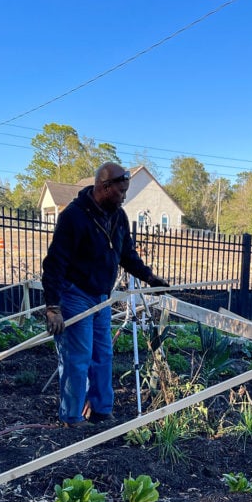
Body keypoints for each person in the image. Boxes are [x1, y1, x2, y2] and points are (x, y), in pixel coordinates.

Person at [41, 162, 168, 428]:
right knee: (78, 357)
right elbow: (55, 263)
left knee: (103, 355)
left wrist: (149, 277)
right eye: (121, 192)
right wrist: (53, 306)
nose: (124, 197)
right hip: (75, 295)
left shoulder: (118, 217)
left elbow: (127, 255)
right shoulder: (74, 217)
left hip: (102, 297)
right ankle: (72, 418)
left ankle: (100, 411)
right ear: (104, 186)